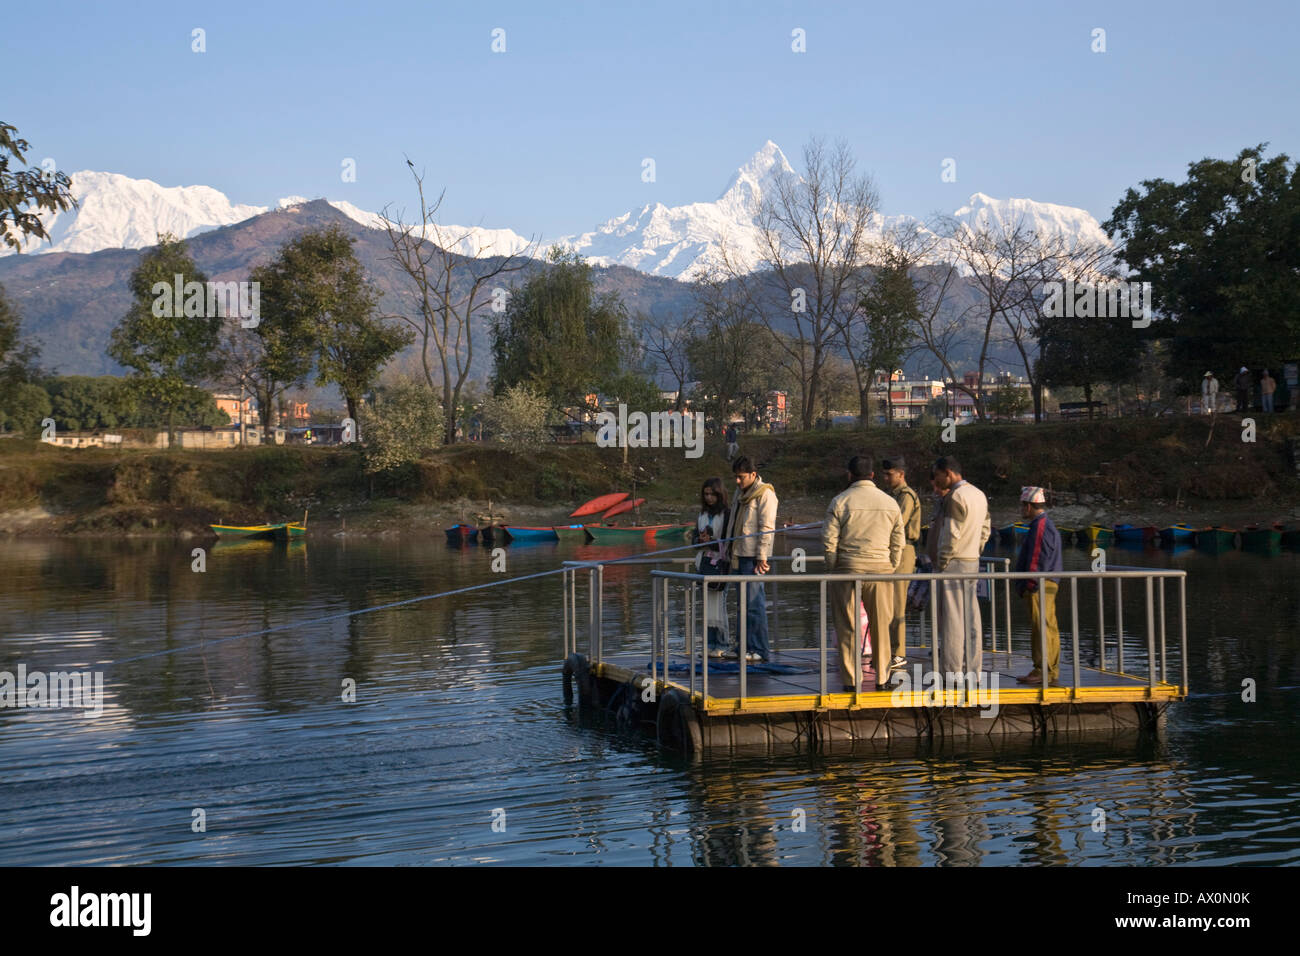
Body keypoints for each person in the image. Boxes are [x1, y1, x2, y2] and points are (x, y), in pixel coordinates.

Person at [822, 455, 904, 692]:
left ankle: (851, 680)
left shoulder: (839, 501)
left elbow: (829, 541)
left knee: (847, 626)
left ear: (849, 475)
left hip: (847, 569)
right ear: (872, 475)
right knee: (881, 626)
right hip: (881, 570)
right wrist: (892, 565)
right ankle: (882, 678)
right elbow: (898, 539)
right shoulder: (889, 502)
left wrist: (833, 565)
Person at [932, 456, 991, 678]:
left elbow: (950, 535)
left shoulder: (955, 497)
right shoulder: (978, 494)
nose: (936, 482)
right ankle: (973, 669)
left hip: (954, 563)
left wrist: (942, 561)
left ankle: (952, 672)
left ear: (947, 472)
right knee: (972, 618)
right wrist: (976, 548)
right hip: (972, 560)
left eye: (937, 475)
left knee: (952, 621)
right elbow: (986, 528)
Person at [724, 456, 778, 662]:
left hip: (752, 557)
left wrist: (762, 555)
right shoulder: (740, 493)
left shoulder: (765, 494)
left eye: (741, 477)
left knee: (754, 605)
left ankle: (760, 649)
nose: (737, 481)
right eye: (735, 478)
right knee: (741, 605)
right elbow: (733, 523)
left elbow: (766, 527)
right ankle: (742, 647)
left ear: (753, 474)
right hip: (737, 554)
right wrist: (727, 547)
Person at [1013, 486, 1062, 686]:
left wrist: (1029, 584)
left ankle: (1043, 669)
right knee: (1048, 626)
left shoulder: (1040, 526)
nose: (1021, 510)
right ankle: (1050, 669)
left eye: (1022, 505)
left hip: (1040, 584)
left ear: (1029, 506)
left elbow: (1036, 558)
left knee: (1041, 626)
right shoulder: (1045, 525)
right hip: (1045, 582)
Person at [879, 454, 920, 676]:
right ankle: (891, 648)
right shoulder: (892, 496)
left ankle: (899, 653)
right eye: (884, 473)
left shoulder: (905, 496)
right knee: (889, 603)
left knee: (897, 604)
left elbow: (897, 524)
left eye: (889, 474)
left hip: (904, 551)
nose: (886, 477)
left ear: (901, 474)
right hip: (892, 551)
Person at [693, 478, 734, 658]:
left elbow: (729, 542)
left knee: (719, 604)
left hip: (721, 564)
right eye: (706, 494)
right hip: (704, 564)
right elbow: (694, 541)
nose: (709, 497)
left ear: (719, 494)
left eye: (712, 494)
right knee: (706, 605)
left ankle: (722, 643)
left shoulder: (726, 514)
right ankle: (709, 643)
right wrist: (700, 541)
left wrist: (712, 543)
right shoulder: (701, 515)